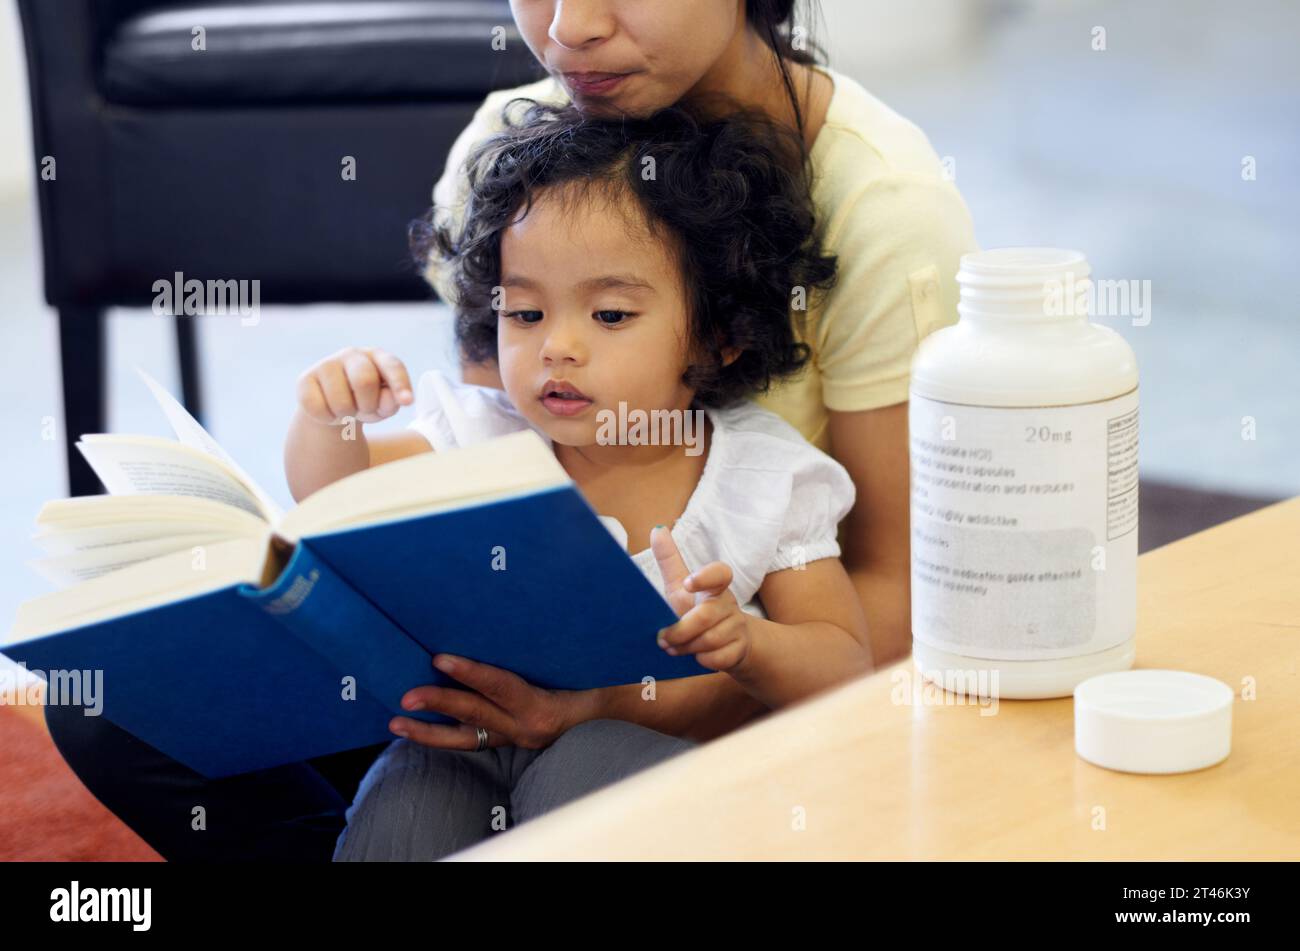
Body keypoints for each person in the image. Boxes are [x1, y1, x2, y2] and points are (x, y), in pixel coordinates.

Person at [303, 100, 869, 859]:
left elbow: (844, 663)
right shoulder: (481, 435)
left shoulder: (762, 477)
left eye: (607, 315)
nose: (557, 347)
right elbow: (330, 498)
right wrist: (329, 419)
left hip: (639, 760)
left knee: (589, 769)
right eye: (526, 312)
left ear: (722, 333)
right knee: (403, 804)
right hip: (458, 745)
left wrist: (750, 644)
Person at [430, 0, 980, 672]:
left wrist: (611, 701)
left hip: (760, 713)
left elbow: (896, 604)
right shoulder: (507, 156)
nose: (569, 28)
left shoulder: (886, 213)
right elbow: (487, 474)